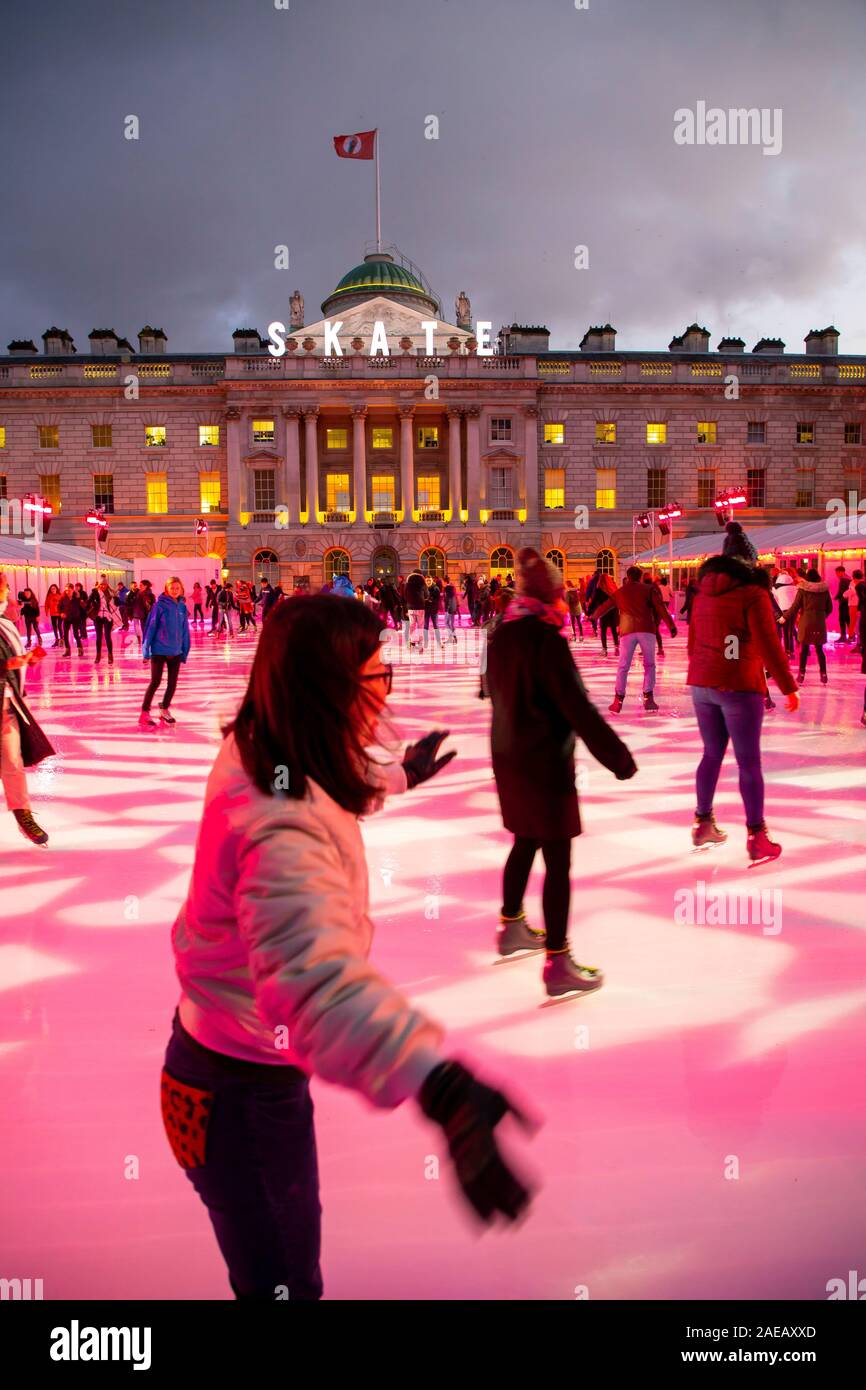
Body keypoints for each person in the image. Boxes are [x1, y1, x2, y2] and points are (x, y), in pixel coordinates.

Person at [161, 595, 531, 1300]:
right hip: (239, 1092)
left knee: (281, 1274)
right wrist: (440, 1086)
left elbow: (312, 778)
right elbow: (314, 982)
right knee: (286, 1285)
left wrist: (394, 777)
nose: (386, 690)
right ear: (331, 688)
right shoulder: (276, 820)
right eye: (378, 675)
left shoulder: (265, 746)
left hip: (230, 1067)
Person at [486, 549, 637, 997]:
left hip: (508, 753)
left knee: (523, 838)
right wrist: (618, 758)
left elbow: (487, 690)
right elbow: (576, 708)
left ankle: (511, 925)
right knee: (556, 858)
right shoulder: (547, 640)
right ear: (552, 596)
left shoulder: (501, 633)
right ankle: (557, 961)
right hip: (543, 760)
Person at [686, 555, 798, 863]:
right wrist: (788, 685)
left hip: (702, 684)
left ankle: (703, 823)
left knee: (711, 754)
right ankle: (756, 836)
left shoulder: (702, 594)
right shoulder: (753, 595)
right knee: (749, 763)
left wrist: (705, 671)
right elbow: (768, 643)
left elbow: (693, 641)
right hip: (739, 686)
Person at [0, 572, 54, 845]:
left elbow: (11, 662)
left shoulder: (6, 626)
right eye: (5, 589)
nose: (10, 596)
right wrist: (14, 663)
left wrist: (25, 661)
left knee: (12, 761)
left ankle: (23, 814)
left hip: (7, 705)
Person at [595, 565, 677, 714]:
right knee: (649, 664)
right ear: (639, 577)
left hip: (627, 631)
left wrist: (593, 616)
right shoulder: (648, 589)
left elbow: (605, 606)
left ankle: (618, 700)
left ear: (628, 576)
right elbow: (660, 607)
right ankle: (648, 698)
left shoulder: (620, 592)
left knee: (623, 666)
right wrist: (671, 626)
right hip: (646, 629)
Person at [140, 577, 191, 729]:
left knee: (172, 684)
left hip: (175, 651)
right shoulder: (159, 606)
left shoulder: (182, 607)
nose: (175, 590)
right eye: (172, 588)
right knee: (155, 681)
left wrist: (184, 649)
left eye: (177, 588)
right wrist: (146, 650)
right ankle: (144, 712)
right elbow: (151, 627)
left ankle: (164, 708)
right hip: (159, 650)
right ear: (166, 589)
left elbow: (184, 631)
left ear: (181, 589)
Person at [788, 567, 833, 685]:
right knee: (819, 649)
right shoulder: (824, 590)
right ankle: (823, 674)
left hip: (806, 622)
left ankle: (801, 675)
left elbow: (795, 606)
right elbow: (830, 608)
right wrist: (821, 617)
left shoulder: (803, 590)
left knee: (804, 649)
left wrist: (784, 617)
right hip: (819, 622)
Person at [88, 579, 120, 665]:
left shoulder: (110, 593)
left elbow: (117, 604)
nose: (103, 586)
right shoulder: (95, 592)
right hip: (98, 616)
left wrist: (116, 596)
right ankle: (98, 655)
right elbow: (88, 602)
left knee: (107, 636)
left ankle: (110, 655)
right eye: (101, 585)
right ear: (99, 585)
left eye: (104, 585)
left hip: (107, 616)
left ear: (107, 585)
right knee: (98, 637)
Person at [770, 565, 798, 657]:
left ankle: (783, 650)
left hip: (782, 611)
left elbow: (775, 601)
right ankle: (791, 650)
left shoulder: (776, 589)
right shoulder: (794, 588)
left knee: (781, 631)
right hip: (793, 611)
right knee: (790, 631)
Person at [58, 583, 86, 657]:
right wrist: (61, 613)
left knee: (76, 634)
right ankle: (67, 650)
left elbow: (83, 606)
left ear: (73, 590)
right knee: (65, 635)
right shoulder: (63, 598)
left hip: (75, 618)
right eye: (66, 590)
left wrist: (80, 599)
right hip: (66, 618)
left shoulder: (77, 598)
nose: (68, 592)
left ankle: (80, 649)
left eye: (69, 590)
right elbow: (59, 607)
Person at [404, 571, 427, 650]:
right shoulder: (422, 583)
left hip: (411, 607)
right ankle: (420, 642)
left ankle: (413, 642)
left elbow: (405, 595)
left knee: (412, 625)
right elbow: (427, 595)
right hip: (420, 606)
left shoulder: (407, 584)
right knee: (420, 625)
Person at [423, 576, 443, 649]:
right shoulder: (424, 588)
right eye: (427, 580)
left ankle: (438, 642)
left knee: (436, 625)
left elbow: (438, 599)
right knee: (425, 626)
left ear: (432, 580)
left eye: (429, 580)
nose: (428, 582)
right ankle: (426, 642)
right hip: (426, 610)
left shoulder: (436, 588)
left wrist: (431, 600)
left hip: (434, 610)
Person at [834, 566, 851, 643]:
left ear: (841, 572)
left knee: (842, 620)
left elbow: (841, 591)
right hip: (848, 602)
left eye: (837, 572)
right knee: (848, 619)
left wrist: (835, 597)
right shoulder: (849, 578)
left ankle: (843, 636)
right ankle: (851, 636)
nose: (836, 574)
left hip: (843, 602)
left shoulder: (843, 579)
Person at [849, 570, 862, 653]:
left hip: (857, 606)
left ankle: (858, 644)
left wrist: (859, 609)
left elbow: (861, 599)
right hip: (858, 606)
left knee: (858, 626)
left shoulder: (858, 586)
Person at [443, 576, 459, 641]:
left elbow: (449, 598)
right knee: (451, 623)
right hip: (452, 607)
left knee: (446, 623)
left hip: (449, 608)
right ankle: (454, 637)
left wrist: (448, 607)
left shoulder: (447, 588)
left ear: (444, 581)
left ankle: (451, 637)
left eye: (442, 582)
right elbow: (453, 597)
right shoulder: (452, 587)